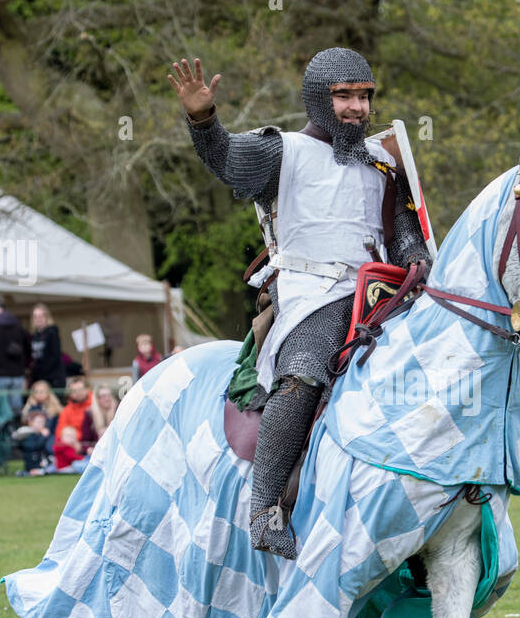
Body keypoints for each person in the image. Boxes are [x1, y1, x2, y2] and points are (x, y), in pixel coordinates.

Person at [172, 47, 431, 558]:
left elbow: (406, 240)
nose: (357, 107)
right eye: (344, 97)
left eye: (364, 96)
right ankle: (266, 506)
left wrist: (418, 261)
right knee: (308, 367)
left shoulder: (384, 164)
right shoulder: (282, 151)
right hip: (311, 294)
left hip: (381, 294)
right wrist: (203, 117)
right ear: (318, 99)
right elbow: (225, 157)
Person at [0, 302, 31, 412]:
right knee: (17, 406)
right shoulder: (19, 326)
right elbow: (28, 348)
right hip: (17, 374)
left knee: (2, 407)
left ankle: (5, 429)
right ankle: (15, 427)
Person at [28, 304, 67, 391]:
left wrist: (41, 374)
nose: (38, 319)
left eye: (41, 316)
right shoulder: (35, 335)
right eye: (36, 316)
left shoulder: (52, 333)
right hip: (40, 378)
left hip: (53, 378)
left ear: (46, 317)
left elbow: (54, 356)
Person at [55, 377, 98, 452]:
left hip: (96, 440)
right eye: (75, 391)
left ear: (86, 389)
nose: (79, 392)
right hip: (75, 443)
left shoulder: (96, 403)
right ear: (70, 393)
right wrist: (74, 440)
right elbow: (60, 433)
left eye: (81, 389)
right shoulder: (66, 411)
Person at [12, 408, 55, 474]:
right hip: (32, 461)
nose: (42, 424)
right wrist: (43, 437)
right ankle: (28, 473)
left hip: (42, 460)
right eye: (39, 422)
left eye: (43, 422)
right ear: (31, 422)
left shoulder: (41, 433)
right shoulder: (26, 433)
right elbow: (33, 447)